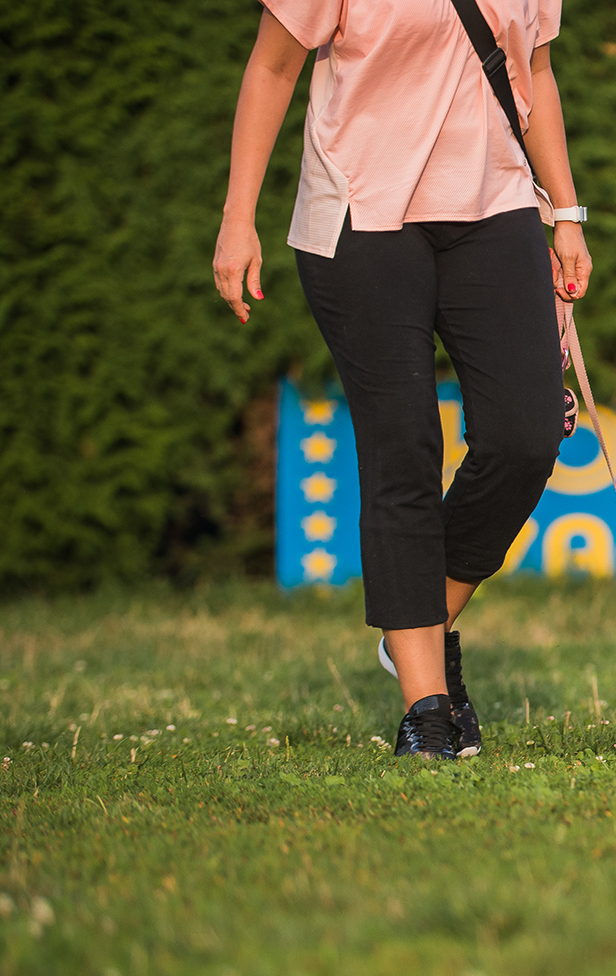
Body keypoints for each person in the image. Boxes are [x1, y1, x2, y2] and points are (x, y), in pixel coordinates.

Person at [213, 0, 591, 759]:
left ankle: (422, 621)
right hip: (360, 219)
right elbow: (271, 67)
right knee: (403, 448)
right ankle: (427, 706)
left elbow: (535, 74)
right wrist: (237, 216)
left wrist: (568, 212)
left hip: (498, 207)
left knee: (527, 432)